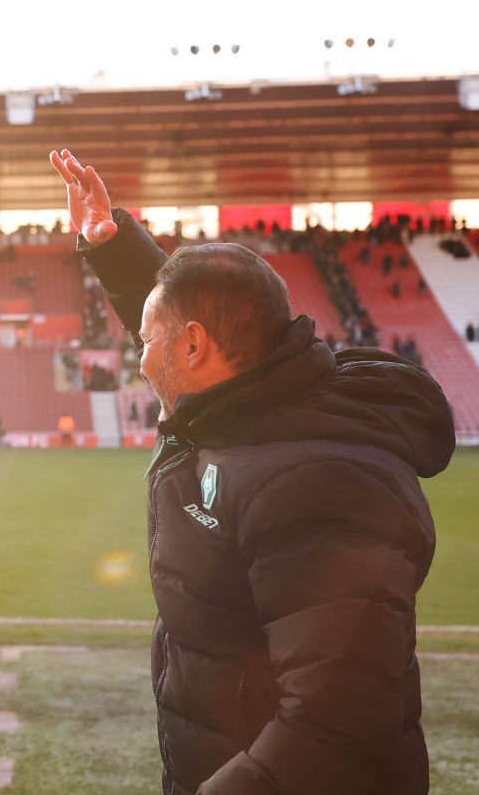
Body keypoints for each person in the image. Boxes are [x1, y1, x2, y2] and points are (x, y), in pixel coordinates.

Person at [51, 148, 452, 795]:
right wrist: (114, 247)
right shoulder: (259, 397)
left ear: (193, 347)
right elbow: (194, 320)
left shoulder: (321, 484)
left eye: (148, 342)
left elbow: (338, 726)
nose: (142, 359)